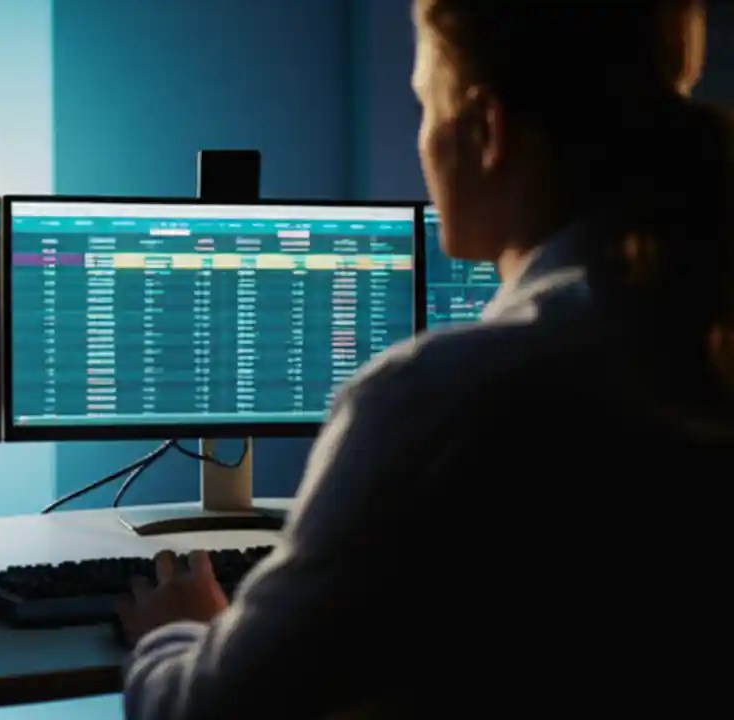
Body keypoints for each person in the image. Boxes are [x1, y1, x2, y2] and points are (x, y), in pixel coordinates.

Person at [116, 1, 732, 717]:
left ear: (485, 131)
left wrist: (175, 630)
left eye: (424, 104)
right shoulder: (696, 347)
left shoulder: (439, 401)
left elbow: (205, 710)